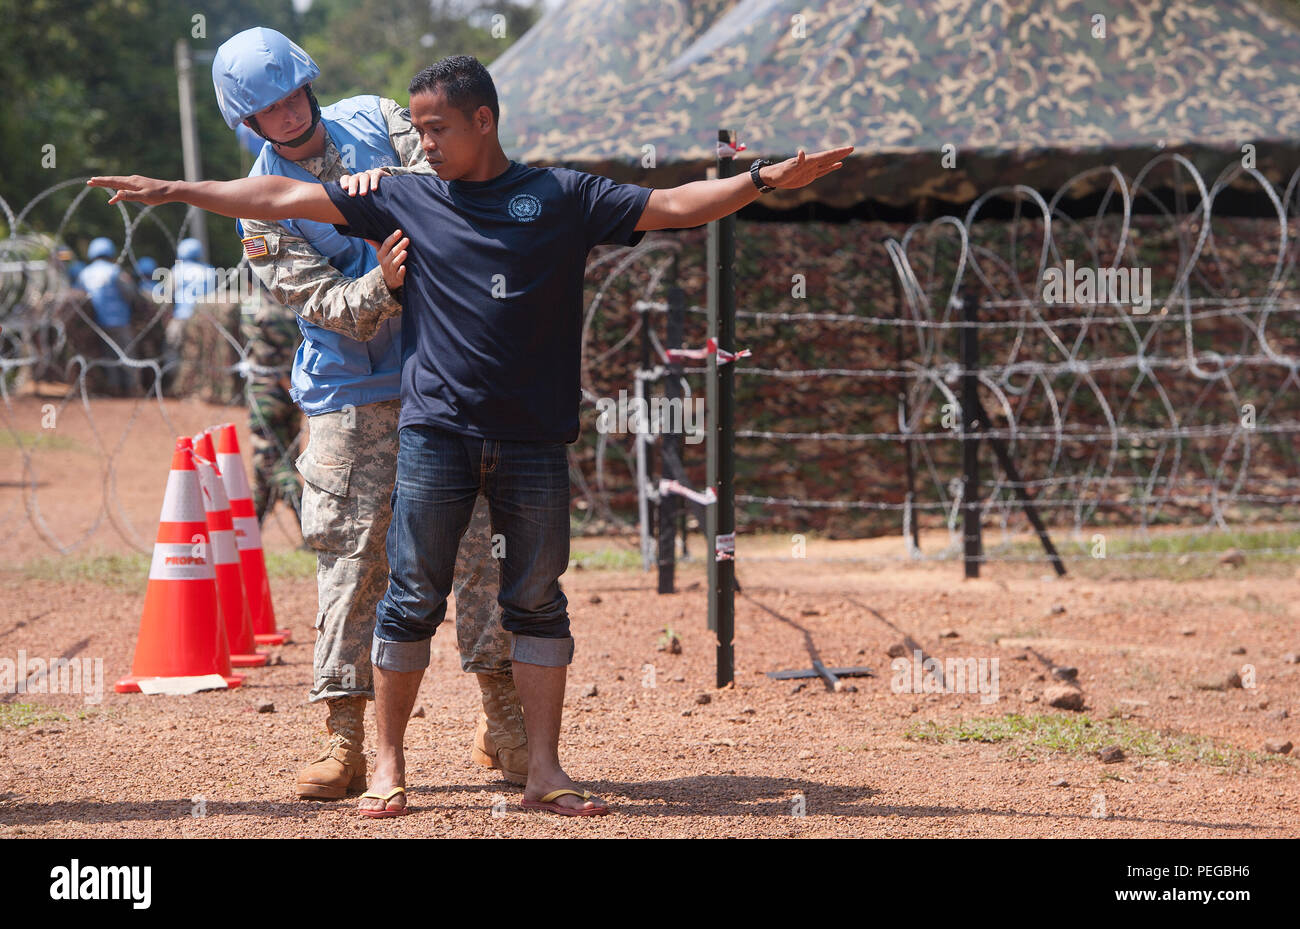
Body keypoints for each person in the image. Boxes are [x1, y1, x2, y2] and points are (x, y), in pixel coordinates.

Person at [88, 55, 851, 817]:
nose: (422, 143)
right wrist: (178, 190)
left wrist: (763, 180)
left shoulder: (562, 194)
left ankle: (536, 759)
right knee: (402, 592)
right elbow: (277, 194)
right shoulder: (405, 196)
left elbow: (677, 203)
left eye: (435, 129)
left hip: (531, 440)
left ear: (483, 121)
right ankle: (379, 758)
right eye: (416, 129)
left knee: (534, 598)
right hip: (428, 429)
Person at [209, 27, 526, 800]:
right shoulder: (258, 207)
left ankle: (504, 714)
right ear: (246, 123)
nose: (286, 116)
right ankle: (344, 739)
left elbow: (451, 190)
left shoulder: (383, 119)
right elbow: (316, 302)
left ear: (309, 84)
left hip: (442, 371)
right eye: (266, 112)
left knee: (482, 543)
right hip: (349, 393)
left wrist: (402, 188)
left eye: (291, 97)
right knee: (354, 561)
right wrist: (382, 283)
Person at [239, 278, 304, 528]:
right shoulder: (292, 305)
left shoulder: (254, 305)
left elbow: (264, 353)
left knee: (270, 461)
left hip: (266, 389)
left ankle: (305, 517)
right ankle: (251, 529)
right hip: (291, 388)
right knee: (279, 459)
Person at [75, 237, 138, 395]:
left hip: (99, 321)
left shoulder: (85, 273)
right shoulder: (115, 271)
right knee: (127, 353)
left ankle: (114, 387)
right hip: (120, 320)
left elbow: (79, 296)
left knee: (109, 355)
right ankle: (133, 387)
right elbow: (130, 294)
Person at [163, 237, 215, 393]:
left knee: (172, 349)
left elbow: (167, 296)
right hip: (202, 318)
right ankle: (199, 388)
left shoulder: (176, 270)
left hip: (181, 316)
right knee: (201, 352)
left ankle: (175, 386)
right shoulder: (209, 270)